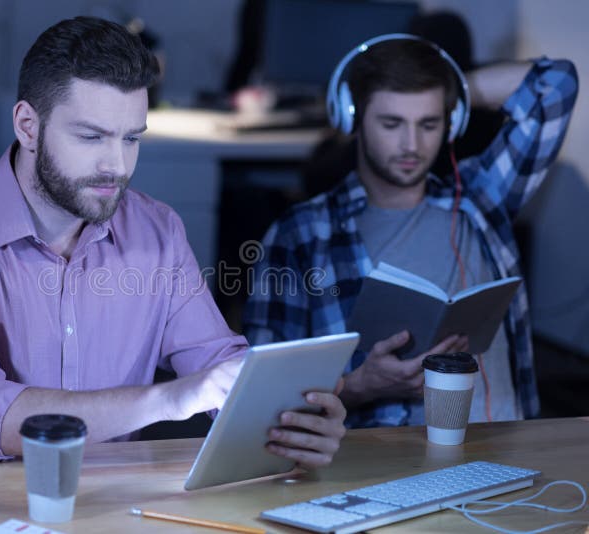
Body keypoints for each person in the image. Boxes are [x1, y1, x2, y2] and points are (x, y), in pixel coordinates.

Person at [0, 16, 347, 463]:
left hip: (102, 507)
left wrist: (290, 415)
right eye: (91, 137)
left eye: (131, 138)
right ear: (27, 126)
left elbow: (216, 366)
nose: (117, 166)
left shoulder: (156, 230)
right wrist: (170, 398)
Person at [243, 35, 578, 428]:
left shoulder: (479, 198)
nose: (412, 145)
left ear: (451, 122)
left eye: (429, 123)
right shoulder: (302, 235)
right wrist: (361, 385)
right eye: (392, 123)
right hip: (390, 469)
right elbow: (259, 401)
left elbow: (556, 84)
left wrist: (453, 90)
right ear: (351, 117)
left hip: (510, 452)